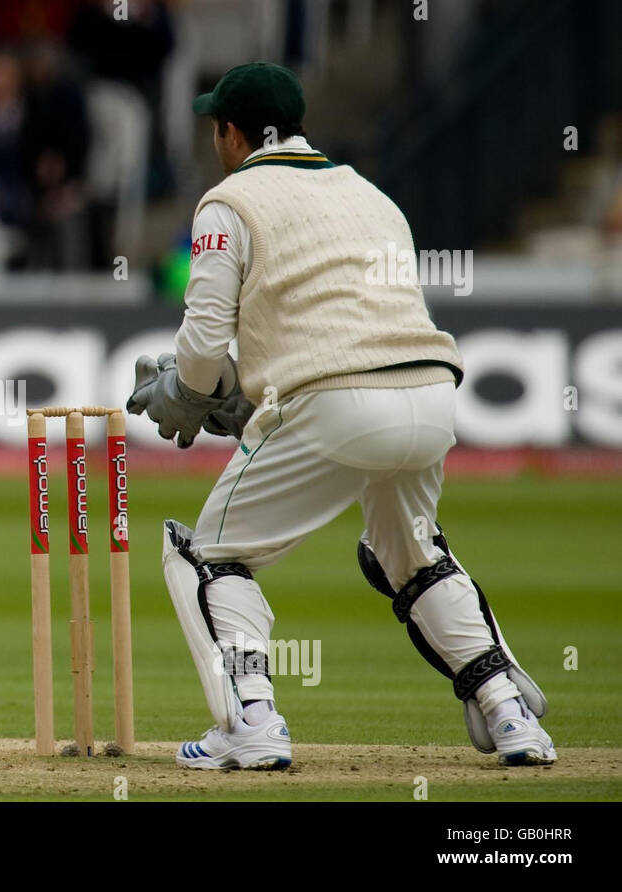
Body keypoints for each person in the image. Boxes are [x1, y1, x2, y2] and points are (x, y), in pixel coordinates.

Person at [126, 63, 555, 770]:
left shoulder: (228, 203)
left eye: (216, 129)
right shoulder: (372, 194)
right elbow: (352, 318)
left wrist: (193, 392)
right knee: (410, 554)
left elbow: (202, 354)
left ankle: (254, 723)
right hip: (430, 394)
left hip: (332, 401)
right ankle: (510, 714)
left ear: (231, 133)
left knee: (212, 556)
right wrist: (263, 390)